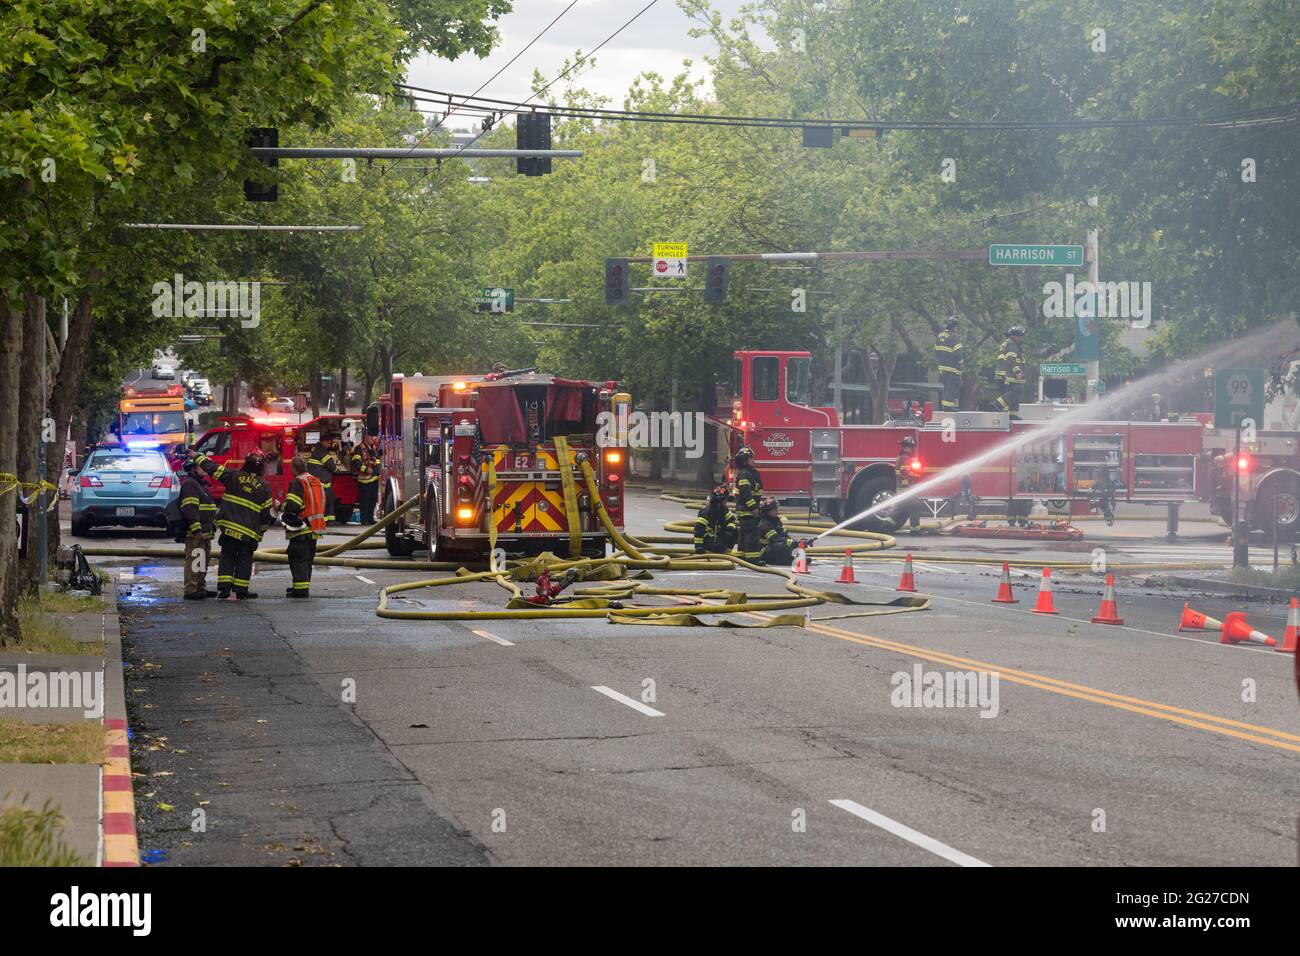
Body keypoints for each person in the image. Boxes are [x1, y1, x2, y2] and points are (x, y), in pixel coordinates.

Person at [191, 448, 275, 600]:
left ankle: (224, 590)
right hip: (249, 532)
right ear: (261, 466)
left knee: (227, 557)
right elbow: (266, 514)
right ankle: (241, 591)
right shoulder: (265, 486)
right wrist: (261, 531)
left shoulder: (233, 476)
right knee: (244, 560)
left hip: (229, 527)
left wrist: (196, 456)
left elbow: (212, 468)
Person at [281, 456, 327, 598]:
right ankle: (301, 585)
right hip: (314, 528)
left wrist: (280, 506)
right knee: (307, 560)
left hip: (301, 527)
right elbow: (323, 502)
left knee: (297, 559)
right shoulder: (316, 482)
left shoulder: (297, 482)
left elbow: (292, 505)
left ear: (294, 469)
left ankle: (300, 590)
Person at [178, 456, 218, 600]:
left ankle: (200, 587)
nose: (205, 468)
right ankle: (191, 589)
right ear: (193, 468)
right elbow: (190, 508)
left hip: (205, 532)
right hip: (196, 533)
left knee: (202, 560)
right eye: (201, 466)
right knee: (195, 560)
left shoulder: (200, 484)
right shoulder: (190, 484)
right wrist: (197, 530)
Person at [732, 445, 764, 562]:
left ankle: (741, 555)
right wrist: (754, 508)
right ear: (745, 460)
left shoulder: (750, 473)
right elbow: (745, 494)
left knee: (744, 533)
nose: (753, 460)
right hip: (747, 509)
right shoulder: (745, 474)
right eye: (751, 458)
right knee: (752, 533)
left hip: (746, 508)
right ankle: (752, 558)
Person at [693, 485, 738, 554]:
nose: (726, 501)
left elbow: (731, 520)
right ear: (720, 501)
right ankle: (723, 552)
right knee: (719, 546)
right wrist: (699, 547)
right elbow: (699, 530)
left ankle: (727, 553)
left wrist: (729, 530)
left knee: (736, 532)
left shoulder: (724, 509)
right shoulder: (707, 512)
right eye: (725, 499)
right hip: (708, 538)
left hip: (718, 535)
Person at [892, 435, 923, 532]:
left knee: (900, 508)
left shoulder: (901, 456)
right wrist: (916, 475)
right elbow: (905, 472)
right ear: (908, 446)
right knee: (915, 505)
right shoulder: (905, 458)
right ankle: (915, 529)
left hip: (901, 487)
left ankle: (887, 524)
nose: (912, 449)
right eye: (911, 447)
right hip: (907, 487)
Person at [934, 316, 964, 413]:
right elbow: (958, 353)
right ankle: (949, 407)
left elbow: (936, 351)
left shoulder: (940, 336)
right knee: (952, 389)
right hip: (953, 369)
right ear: (954, 326)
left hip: (942, 369)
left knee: (946, 388)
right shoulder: (955, 336)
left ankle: (945, 407)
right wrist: (961, 363)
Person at [307, 436, 340, 524]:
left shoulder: (316, 450)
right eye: (329, 443)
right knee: (328, 501)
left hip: (317, 481)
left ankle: (327, 520)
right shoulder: (322, 451)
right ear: (324, 441)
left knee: (324, 501)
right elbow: (332, 466)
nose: (329, 445)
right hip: (323, 482)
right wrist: (336, 468)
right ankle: (328, 521)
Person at [994, 325, 1026, 416]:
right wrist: (1017, 371)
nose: (1020, 339)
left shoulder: (1007, 343)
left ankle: (1012, 415)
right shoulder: (1011, 344)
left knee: (1015, 395)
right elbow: (1011, 360)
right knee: (1015, 392)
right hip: (1010, 374)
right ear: (1015, 336)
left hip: (1004, 373)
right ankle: (997, 405)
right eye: (1020, 336)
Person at [351, 435, 381, 524]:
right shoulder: (359, 449)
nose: (373, 439)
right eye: (371, 437)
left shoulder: (373, 448)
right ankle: (364, 520)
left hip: (374, 478)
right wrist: (365, 469)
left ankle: (370, 518)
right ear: (365, 438)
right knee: (365, 501)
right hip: (365, 480)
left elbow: (376, 460)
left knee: (373, 500)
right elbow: (356, 462)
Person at [756, 497, 794, 566]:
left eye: (777, 508)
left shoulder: (776, 521)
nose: (777, 511)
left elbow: (784, 534)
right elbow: (775, 539)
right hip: (764, 552)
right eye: (774, 509)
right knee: (781, 545)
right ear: (768, 511)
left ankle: (791, 559)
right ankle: (789, 561)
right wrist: (792, 543)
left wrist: (798, 542)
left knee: (786, 544)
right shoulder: (765, 524)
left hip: (772, 549)